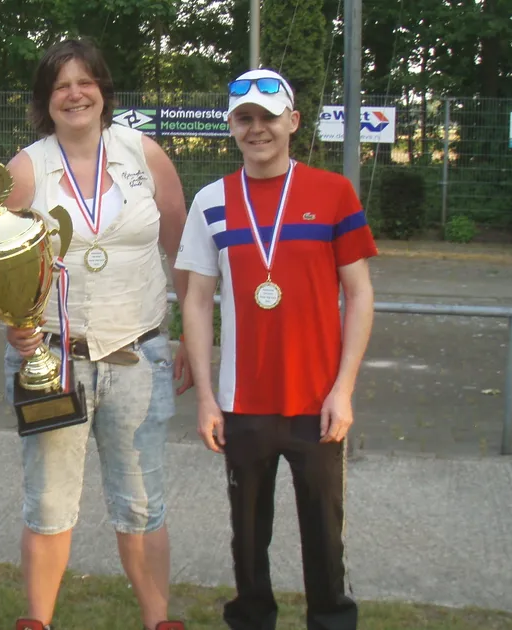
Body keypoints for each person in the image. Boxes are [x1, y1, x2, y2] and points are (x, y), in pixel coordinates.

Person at [175, 68, 377, 630]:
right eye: (245, 118)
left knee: (324, 531)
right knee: (247, 536)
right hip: (243, 403)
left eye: (268, 117)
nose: (256, 128)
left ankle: (331, 619)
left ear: (292, 122)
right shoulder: (211, 200)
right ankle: (252, 619)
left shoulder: (333, 193)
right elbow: (195, 301)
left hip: (318, 402)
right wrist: (207, 399)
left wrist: (344, 389)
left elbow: (359, 295)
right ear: (231, 127)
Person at [2, 39, 193, 630]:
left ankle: (159, 621)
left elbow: (183, 250)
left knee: (141, 506)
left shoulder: (146, 154)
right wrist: (18, 325)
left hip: (140, 353)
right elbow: (0, 262)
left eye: (85, 82)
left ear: (104, 92)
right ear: (45, 99)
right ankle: (38, 621)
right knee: (50, 506)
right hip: (56, 362)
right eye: (61, 85)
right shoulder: (26, 168)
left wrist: (192, 334)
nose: (74, 94)